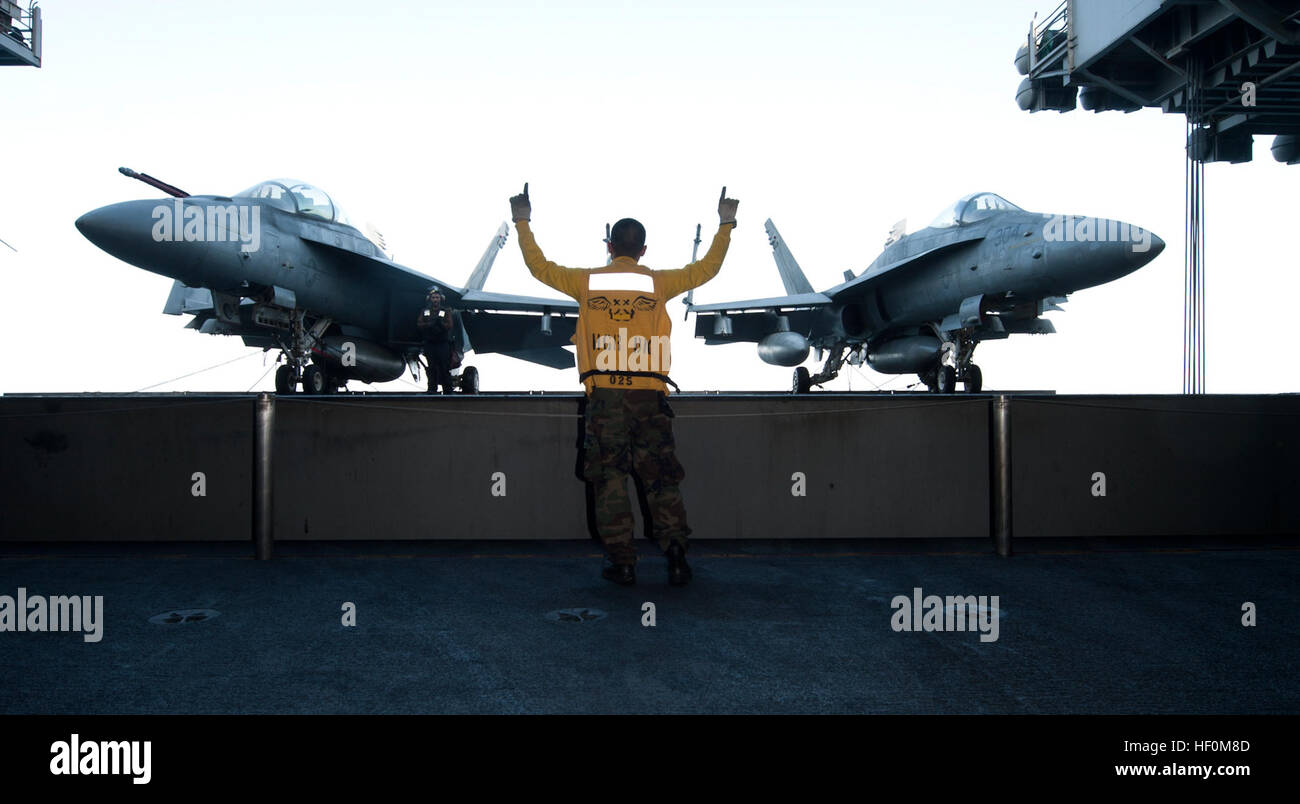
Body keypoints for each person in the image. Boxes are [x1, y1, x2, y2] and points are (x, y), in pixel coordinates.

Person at [509, 183, 739, 586]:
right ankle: (676, 556)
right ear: (643, 250)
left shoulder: (586, 282)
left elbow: (539, 267)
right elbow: (707, 269)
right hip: (650, 398)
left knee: (610, 480)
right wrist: (725, 224)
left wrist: (522, 220)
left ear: (609, 246)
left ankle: (623, 563)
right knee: (661, 479)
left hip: (606, 401)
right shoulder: (659, 283)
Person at [417, 289, 456, 394]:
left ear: (440, 299)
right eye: (433, 297)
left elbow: (449, 325)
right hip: (430, 344)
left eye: (437, 297)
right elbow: (419, 324)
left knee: (444, 367)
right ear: (430, 299)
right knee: (431, 367)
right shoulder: (425, 311)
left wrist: (441, 325)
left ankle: (448, 390)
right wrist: (428, 325)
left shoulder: (445, 311)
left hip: (442, 344)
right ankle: (432, 389)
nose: (435, 300)